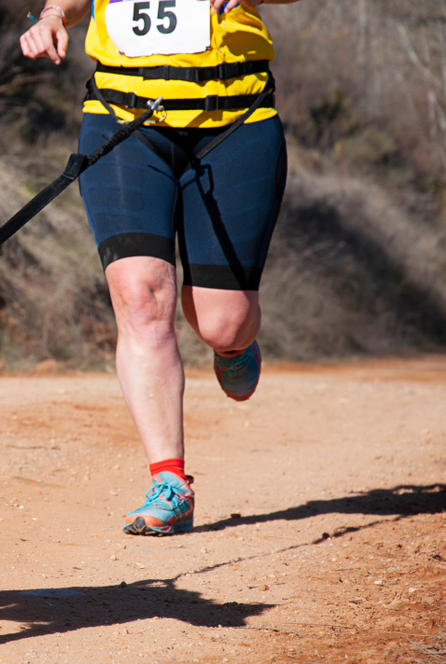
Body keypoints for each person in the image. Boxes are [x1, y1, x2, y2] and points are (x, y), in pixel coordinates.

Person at [21, 0, 299, 535]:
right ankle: (170, 481)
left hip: (236, 119)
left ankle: (233, 345)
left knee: (223, 321)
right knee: (141, 297)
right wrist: (55, 14)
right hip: (125, 117)